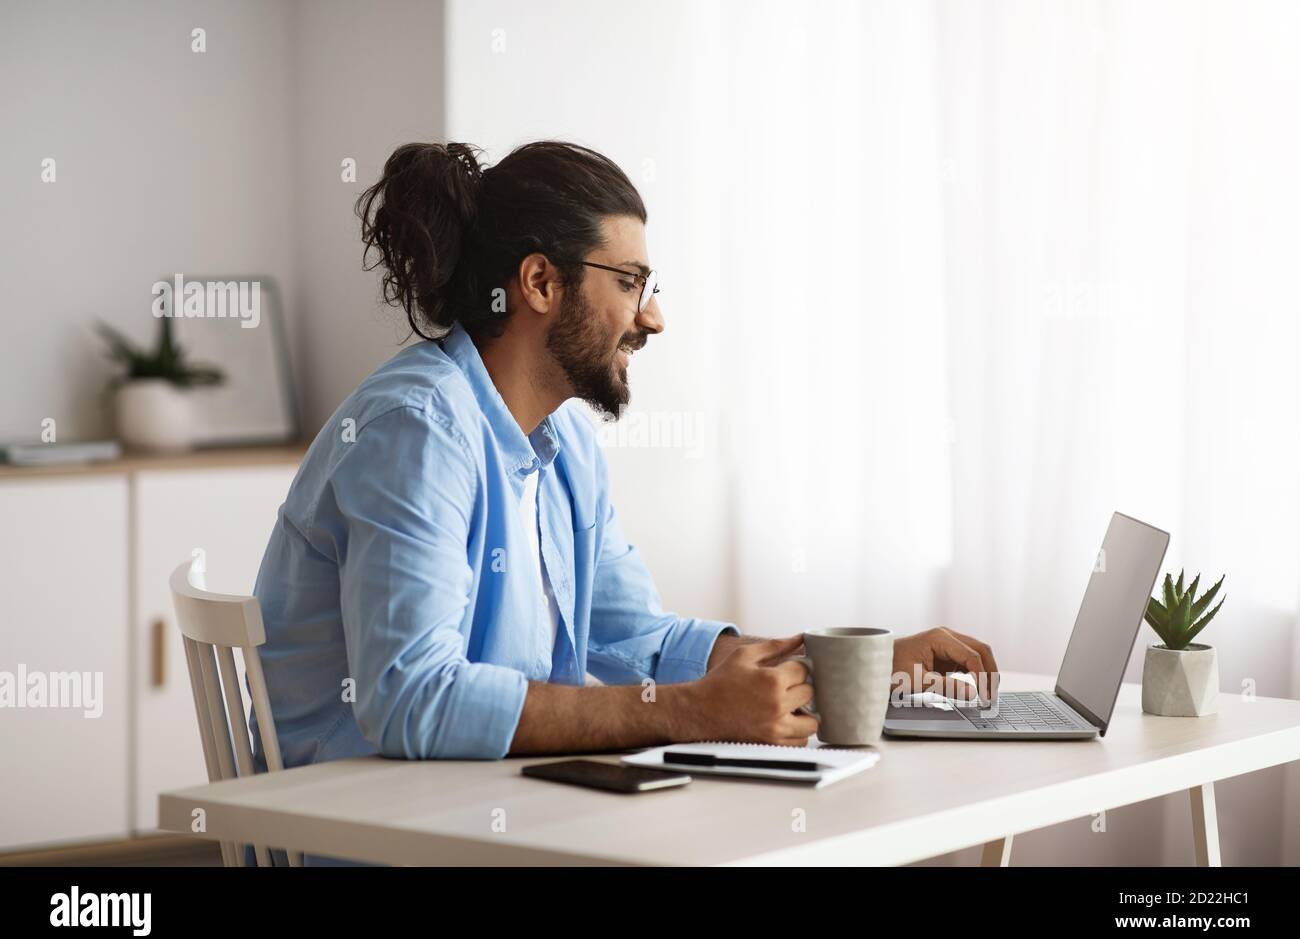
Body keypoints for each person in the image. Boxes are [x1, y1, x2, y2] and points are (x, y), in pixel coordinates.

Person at [250, 140, 998, 780]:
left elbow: (635, 639)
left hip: (478, 816)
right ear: (541, 283)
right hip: (361, 838)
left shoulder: (563, 442)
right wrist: (681, 714)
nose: (655, 317)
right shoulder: (417, 430)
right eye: (630, 282)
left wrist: (854, 668)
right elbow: (410, 699)